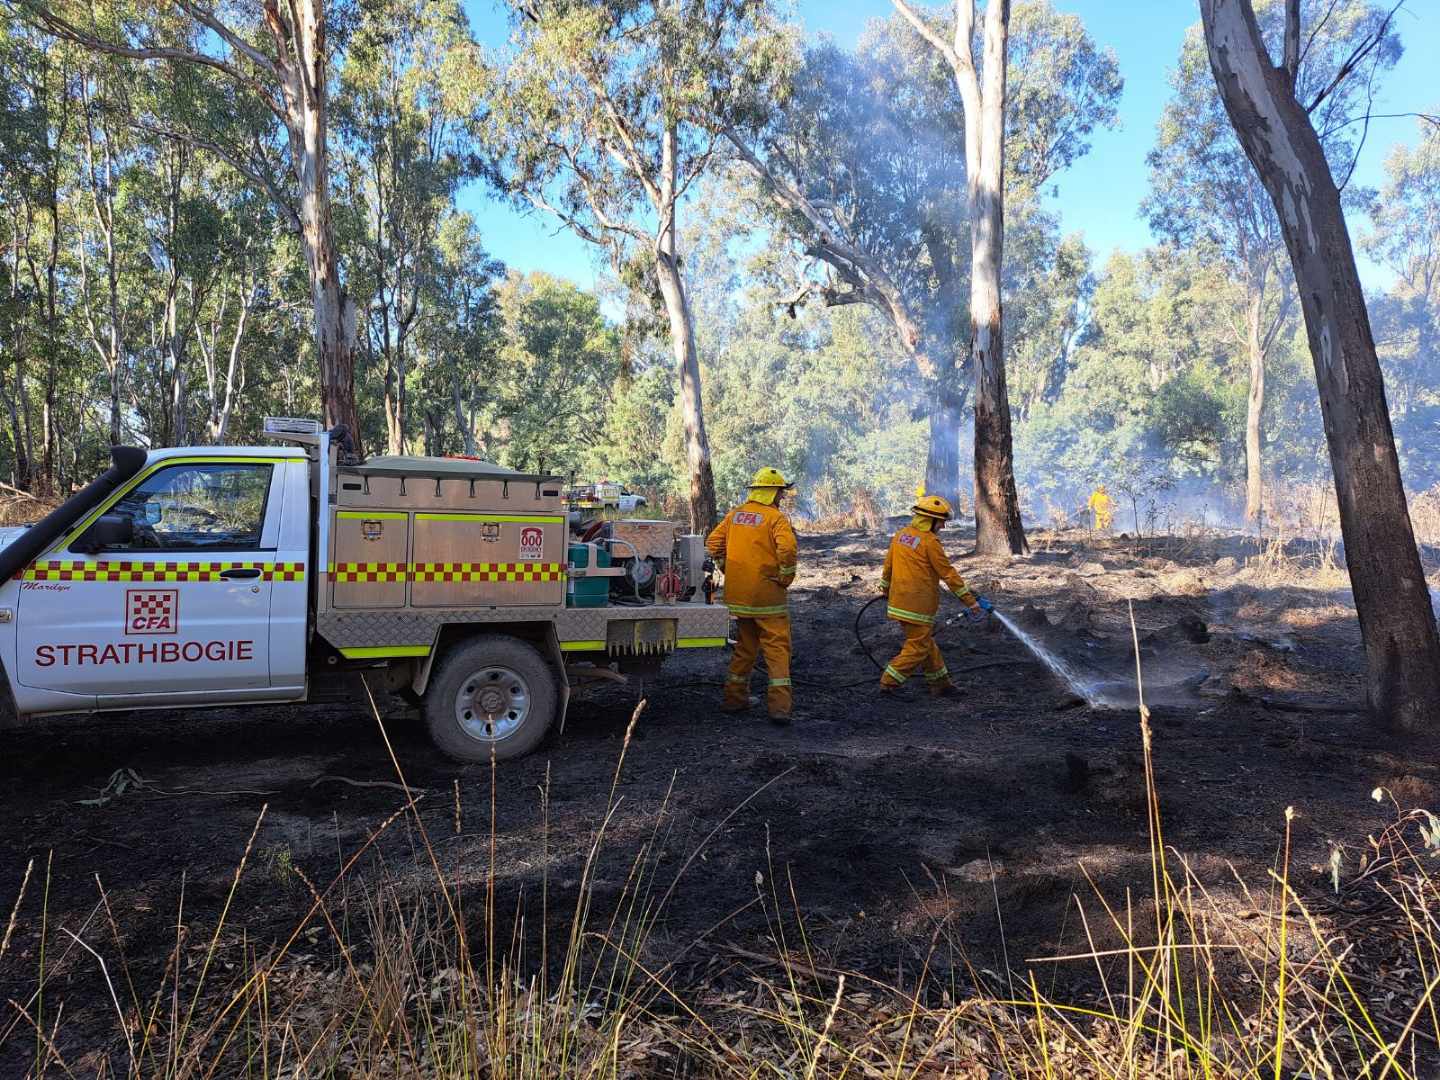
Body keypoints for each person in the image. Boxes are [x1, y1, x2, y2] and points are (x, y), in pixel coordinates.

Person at [706, 467, 799, 724]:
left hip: (739, 597)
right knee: (777, 650)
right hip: (767, 598)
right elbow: (788, 549)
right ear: (772, 492)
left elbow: (713, 543)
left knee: (745, 648)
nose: (782, 496)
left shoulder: (736, 515)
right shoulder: (775, 518)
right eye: (780, 492)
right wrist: (785, 578)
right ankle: (779, 708)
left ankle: (734, 699)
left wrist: (726, 567)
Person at [879, 494, 991, 695]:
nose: (943, 527)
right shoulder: (929, 542)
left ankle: (940, 684)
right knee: (918, 648)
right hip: (918, 607)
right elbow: (948, 574)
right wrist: (970, 602)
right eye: (941, 522)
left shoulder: (901, 535)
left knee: (925, 643)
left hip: (898, 602)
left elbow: (888, 566)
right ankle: (889, 683)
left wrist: (886, 590)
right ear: (929, 520)